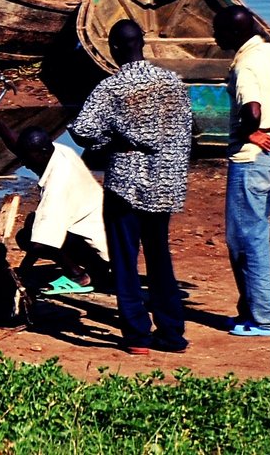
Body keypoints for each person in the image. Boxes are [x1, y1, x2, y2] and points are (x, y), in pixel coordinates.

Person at [69, 19, 193, 355]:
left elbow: (81, 130)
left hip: (126, 184)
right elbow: (184, 132)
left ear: (114, 47)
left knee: (125, 262)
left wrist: (111, 139)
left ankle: (138, 336)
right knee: (160, 260)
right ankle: (172, 334)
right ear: (144, 42)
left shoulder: (112, 87)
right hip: (166, 184)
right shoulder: (173, 82)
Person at [0, 110, 108, 294]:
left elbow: (41, 243)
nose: (24, 163)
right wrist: (0, 125)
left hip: (100, 252)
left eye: (27, 158)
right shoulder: (58, 151)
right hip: (103, 233)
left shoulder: (57, 184)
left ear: (42, 153)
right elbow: (22, 148)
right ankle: (80, 268)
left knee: (28, 237)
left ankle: (78, 275)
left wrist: (22, 272)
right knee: (34, 223)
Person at [213, 5, 270, 338]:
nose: (214, 35)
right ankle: (252, 310)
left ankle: (266, 317)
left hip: (250, 158)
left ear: (233, 33)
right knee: (253, 234)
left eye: (218, 30)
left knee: (246, 240)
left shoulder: (246, 64)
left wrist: (248, 132)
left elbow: (251, 109)